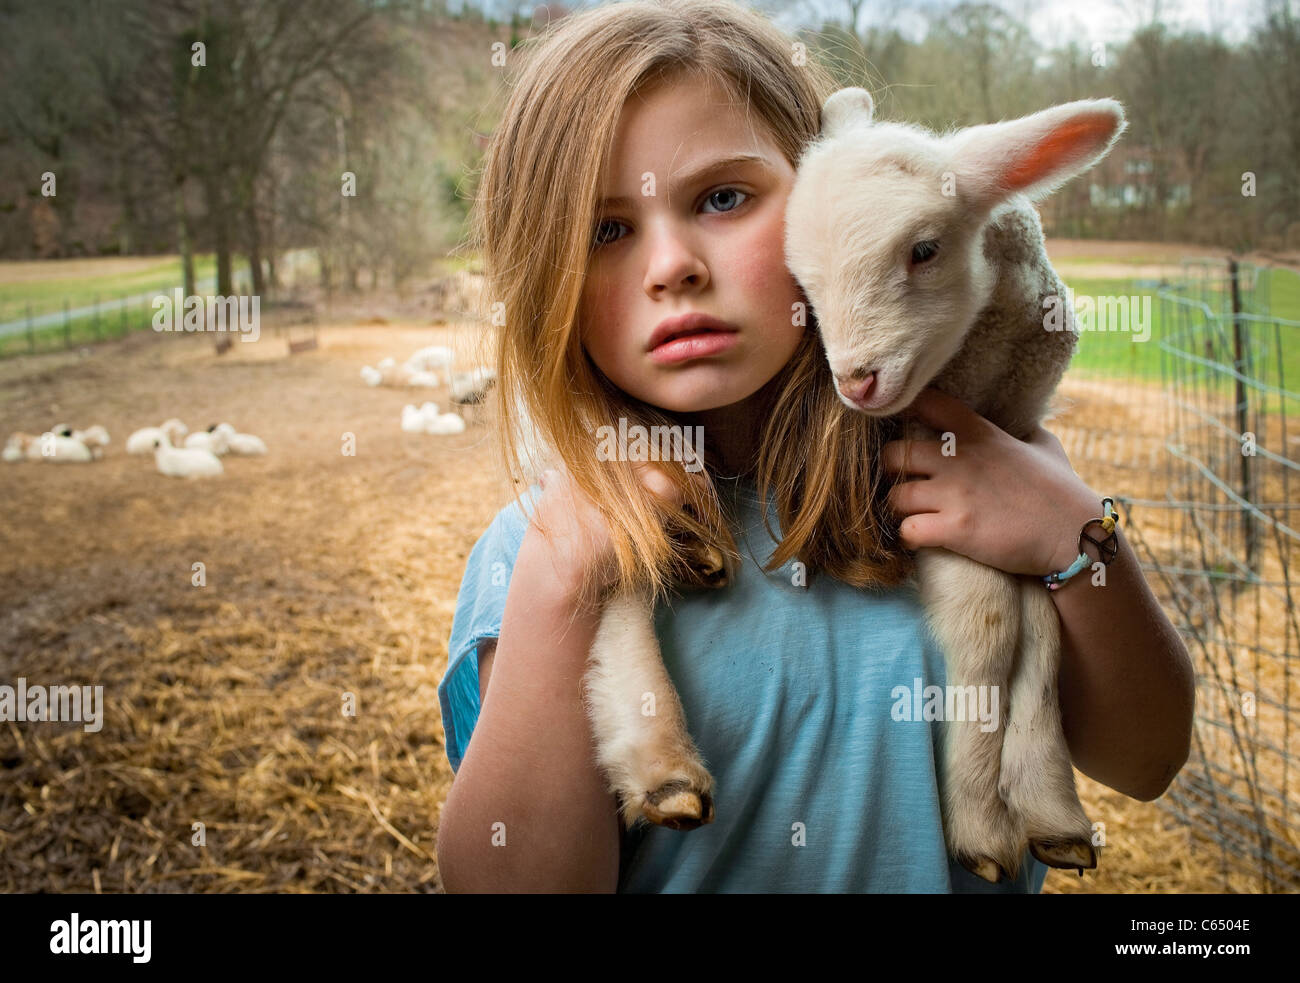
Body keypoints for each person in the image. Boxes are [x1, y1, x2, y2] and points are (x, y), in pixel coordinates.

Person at [434, 0, 1195, 894]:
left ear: (824, 193)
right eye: (607, 229)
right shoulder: (533, 554)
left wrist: (1078, 541)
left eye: (722, 198)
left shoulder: (975, 489)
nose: (671, 263)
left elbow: (1146, 759)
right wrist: (556, 586)